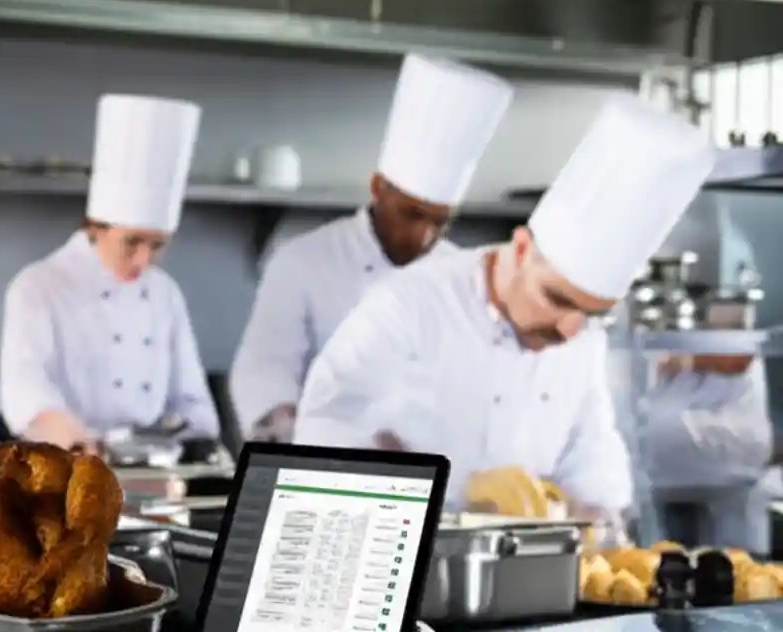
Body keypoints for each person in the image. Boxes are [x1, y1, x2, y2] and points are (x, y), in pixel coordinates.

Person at [295, 94, 718, 522]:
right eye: (556, 299)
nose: (569, 330)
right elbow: (323, 433)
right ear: (519, 249)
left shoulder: (582, 338)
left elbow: (590, 446)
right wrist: (454, 487)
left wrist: (599, 517)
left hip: (527, 568)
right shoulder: (410, 304)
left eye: (592, 314)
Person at [230, 54, 514, 442]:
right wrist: (284, 420)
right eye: (412, 215)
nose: (425, 238)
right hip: (321, 463)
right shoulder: (303, 261)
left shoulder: (461, 277)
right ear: (378, 187)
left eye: (440, 220)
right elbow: (266, 365)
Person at [0, 94, 220, 451]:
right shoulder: (38, 286)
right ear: (95, 226)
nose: (143, 261)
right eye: (131, 243)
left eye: (158, 245)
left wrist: (202, 444)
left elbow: (192, 399)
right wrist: (73, 438)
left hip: (159, 471)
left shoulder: (165, 293)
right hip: (70, 466)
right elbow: (26, 392)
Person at [635, 194, 774, 552]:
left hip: (728, 459)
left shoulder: (724, 268)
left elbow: (735, 355)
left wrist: (684, 359)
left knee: (734, 560)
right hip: (673, 460)